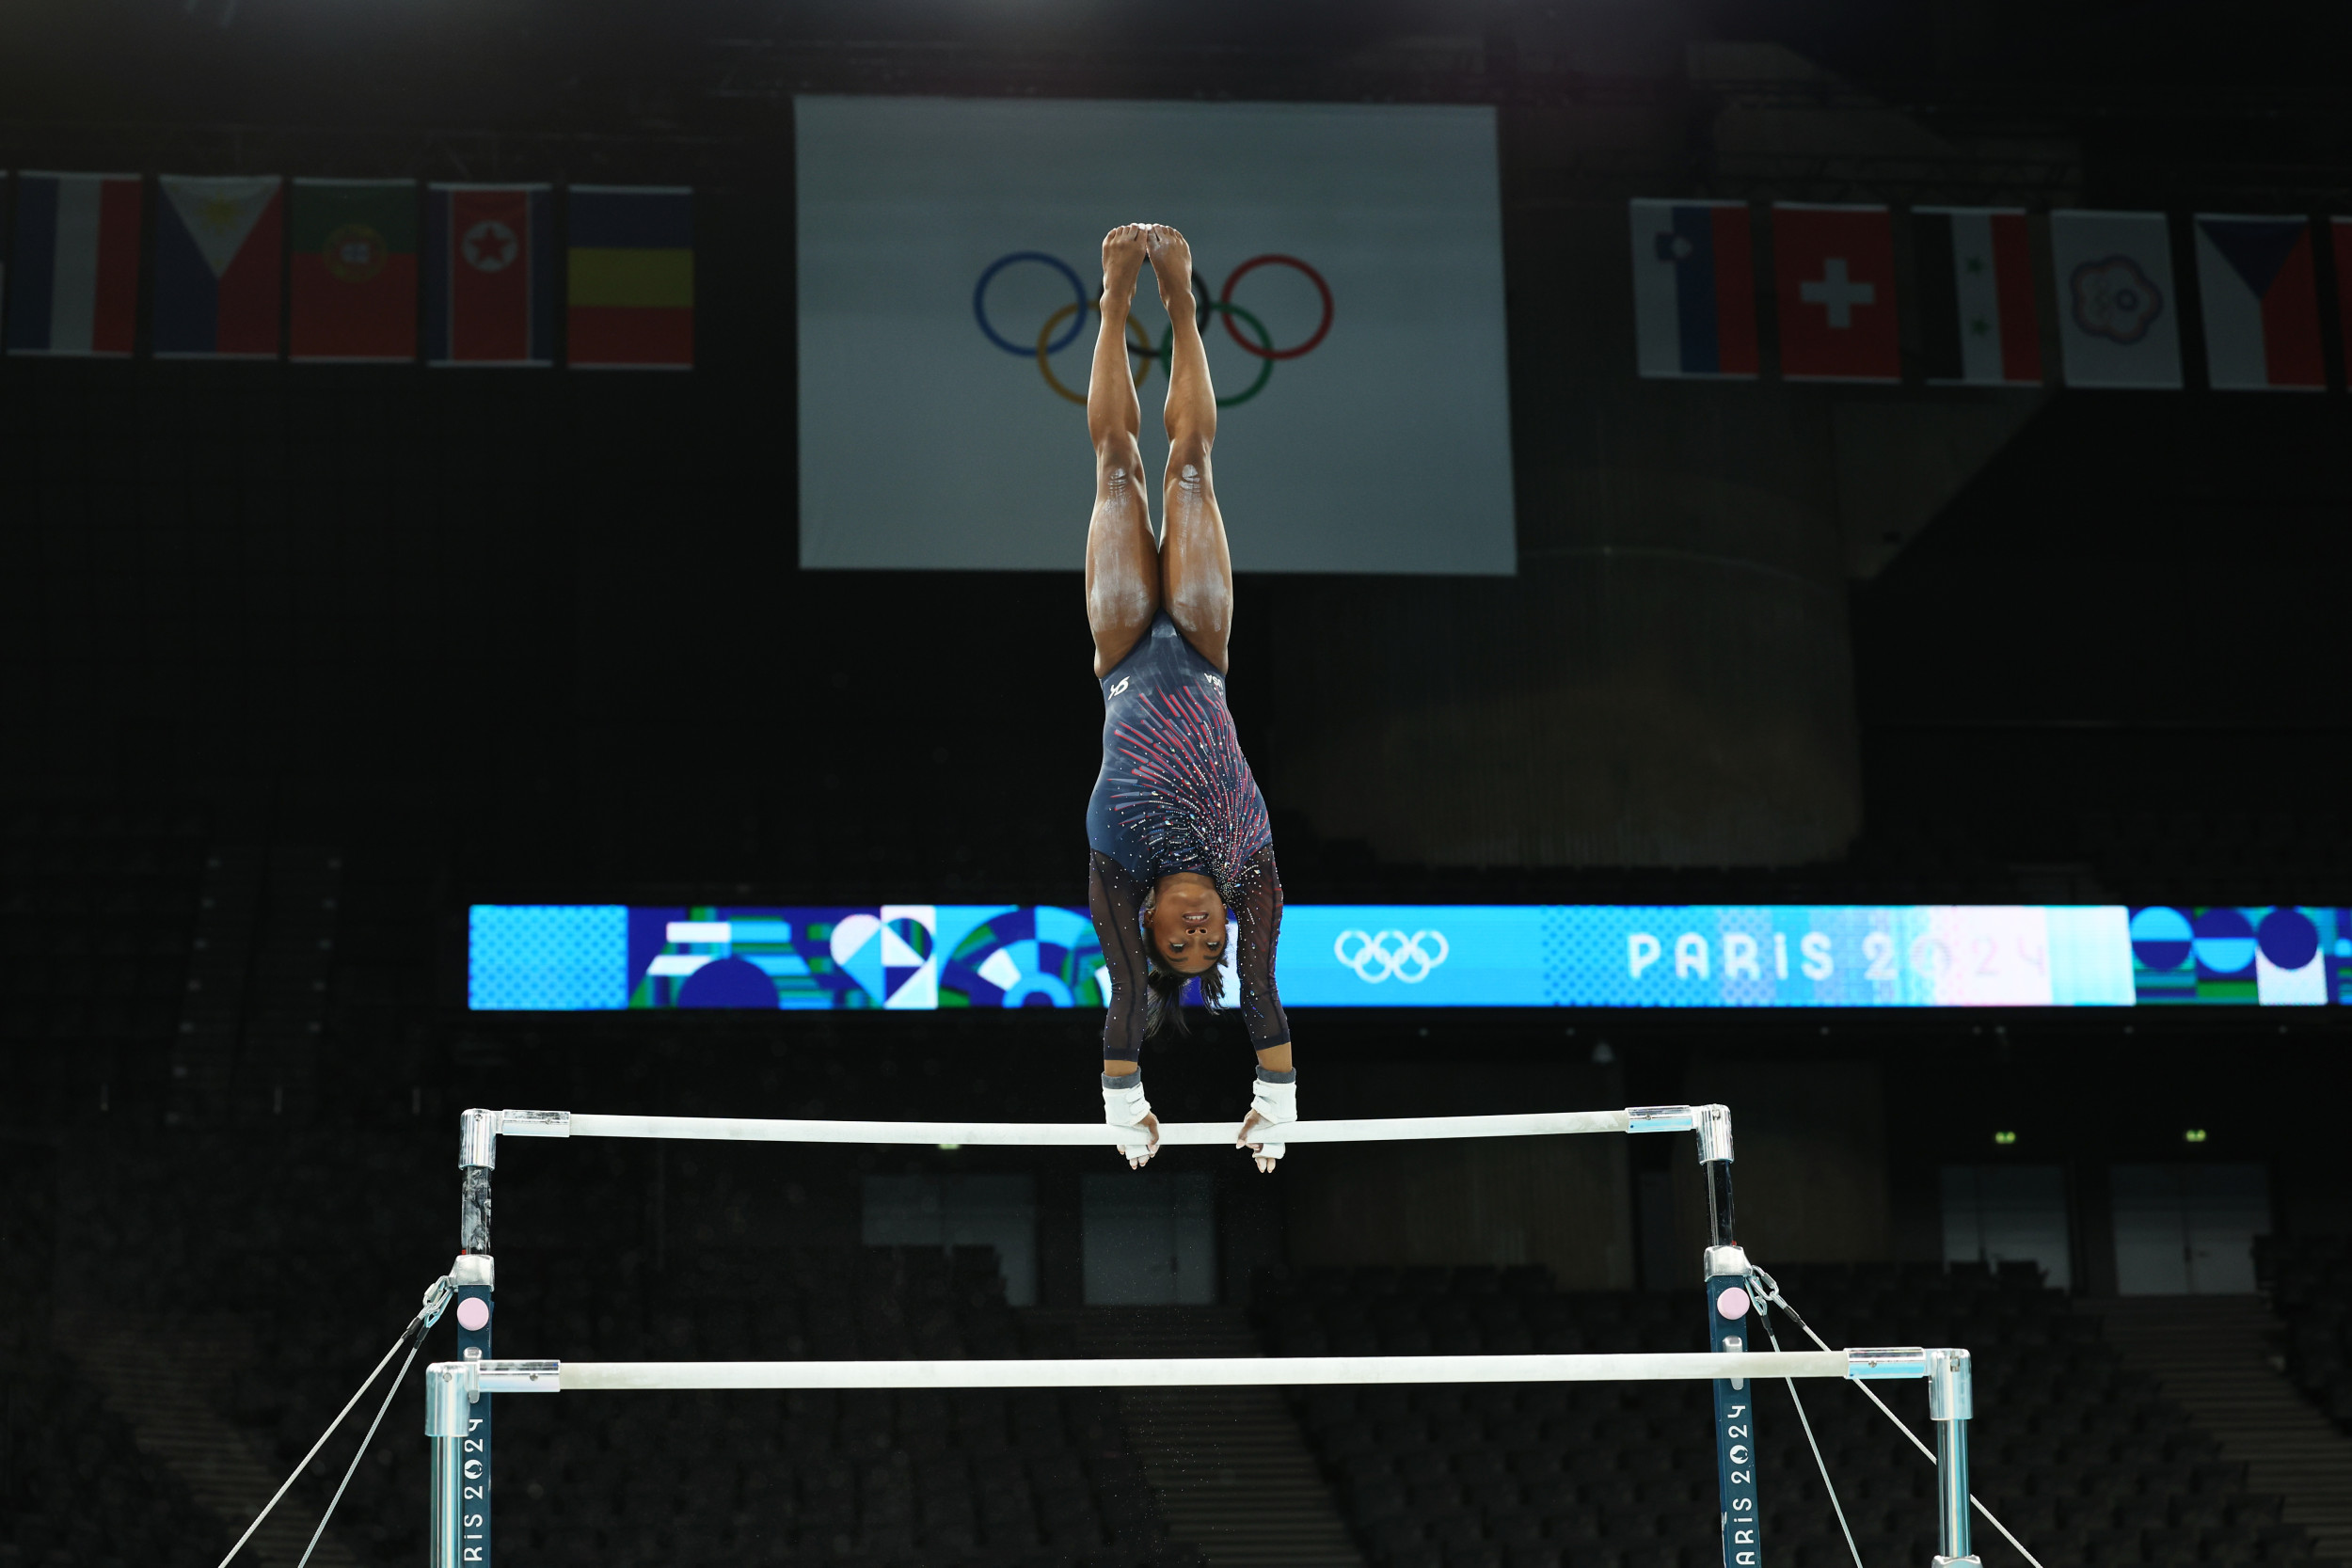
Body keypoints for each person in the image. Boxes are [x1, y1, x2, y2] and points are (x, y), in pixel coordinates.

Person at [1083, 223, 1294, 1175]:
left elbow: (1125, 1000)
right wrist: (1277, 1102)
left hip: (1123, 652)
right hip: (1203, 653)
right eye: (1210, 940)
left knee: (1121, 470)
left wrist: (1124, 1101)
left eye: (1182, 940)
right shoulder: (1250, 869)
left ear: (1149, 930)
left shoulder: (1116, 870)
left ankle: (1116, 303)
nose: (1203, 931)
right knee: (1192, 468)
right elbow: (1261, 986)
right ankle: (1182, 305)